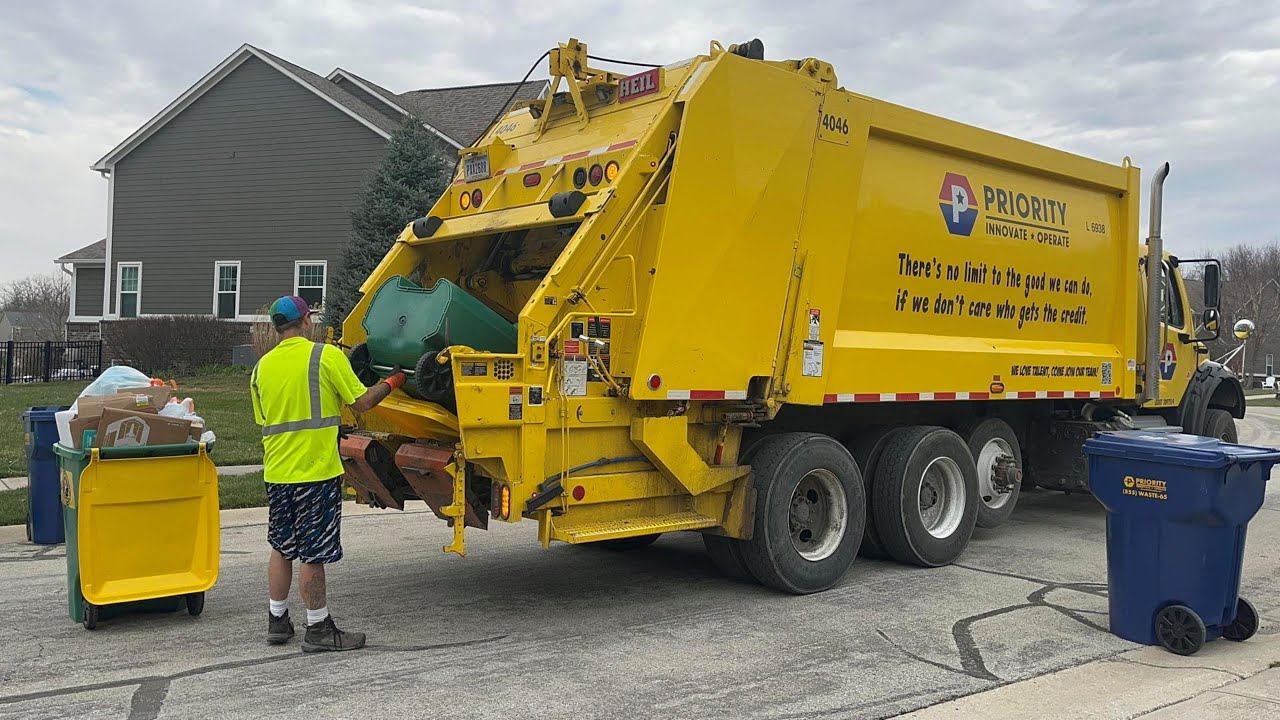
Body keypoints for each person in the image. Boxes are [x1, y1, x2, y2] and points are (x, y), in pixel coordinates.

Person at [250, 296, 406, 652]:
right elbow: (363, 402)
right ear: (306, 321)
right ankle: (318, 628)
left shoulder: (261, 368)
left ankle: (277, 620)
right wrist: (395, 380)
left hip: (277, 473)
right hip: (315, 472)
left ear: (277, 328)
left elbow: (265, 420)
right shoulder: (325, 356)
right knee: (313, 553)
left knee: (281, 547)